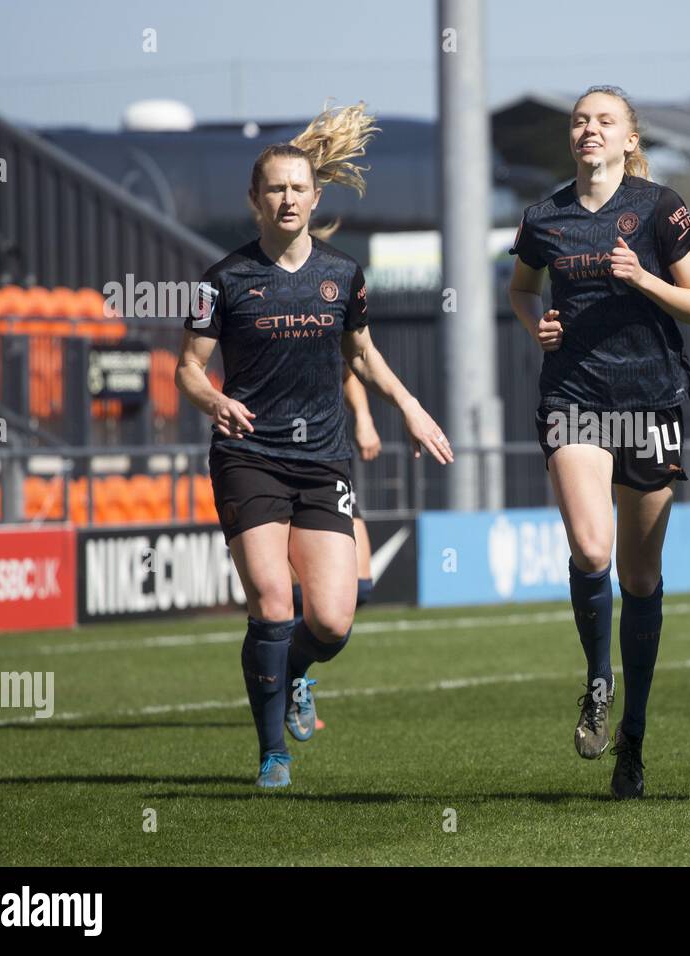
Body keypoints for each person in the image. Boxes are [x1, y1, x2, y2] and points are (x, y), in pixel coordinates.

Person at [175, 104, 452, 788]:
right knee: (273, 599)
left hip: (323, 459)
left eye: (299, 187)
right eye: (275, 188)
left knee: (330, 619)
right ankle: (273, 751)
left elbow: (363, 354)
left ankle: (294, 673)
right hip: (248, 457)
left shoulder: (343, 276)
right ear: (255, 199)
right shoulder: (223, 280)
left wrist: (410, 407)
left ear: (315, 196)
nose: (288, 197)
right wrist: (213, 399)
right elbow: (185, 366)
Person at [507, 85, 690, 799]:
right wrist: (538, 326)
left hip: (652, 401)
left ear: (629, 139)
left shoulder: (659, 208)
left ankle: (634, 737)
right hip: (575, 398)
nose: (588, 129)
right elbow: (522, 289)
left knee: (641, 578)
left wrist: (643, 277)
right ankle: (598, 679)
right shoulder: (545, 215)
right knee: (591, 550)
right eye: (580, 120)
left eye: (604, 121)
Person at [286, 367, 382, 738]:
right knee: (297, 595)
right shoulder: (260, 313)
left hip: (327, 456)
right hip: (272, 459)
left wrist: (364, 418)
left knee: (362, 586)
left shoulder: (330, 308)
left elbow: (349, 365)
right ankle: (293, 688)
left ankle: (293, 668)